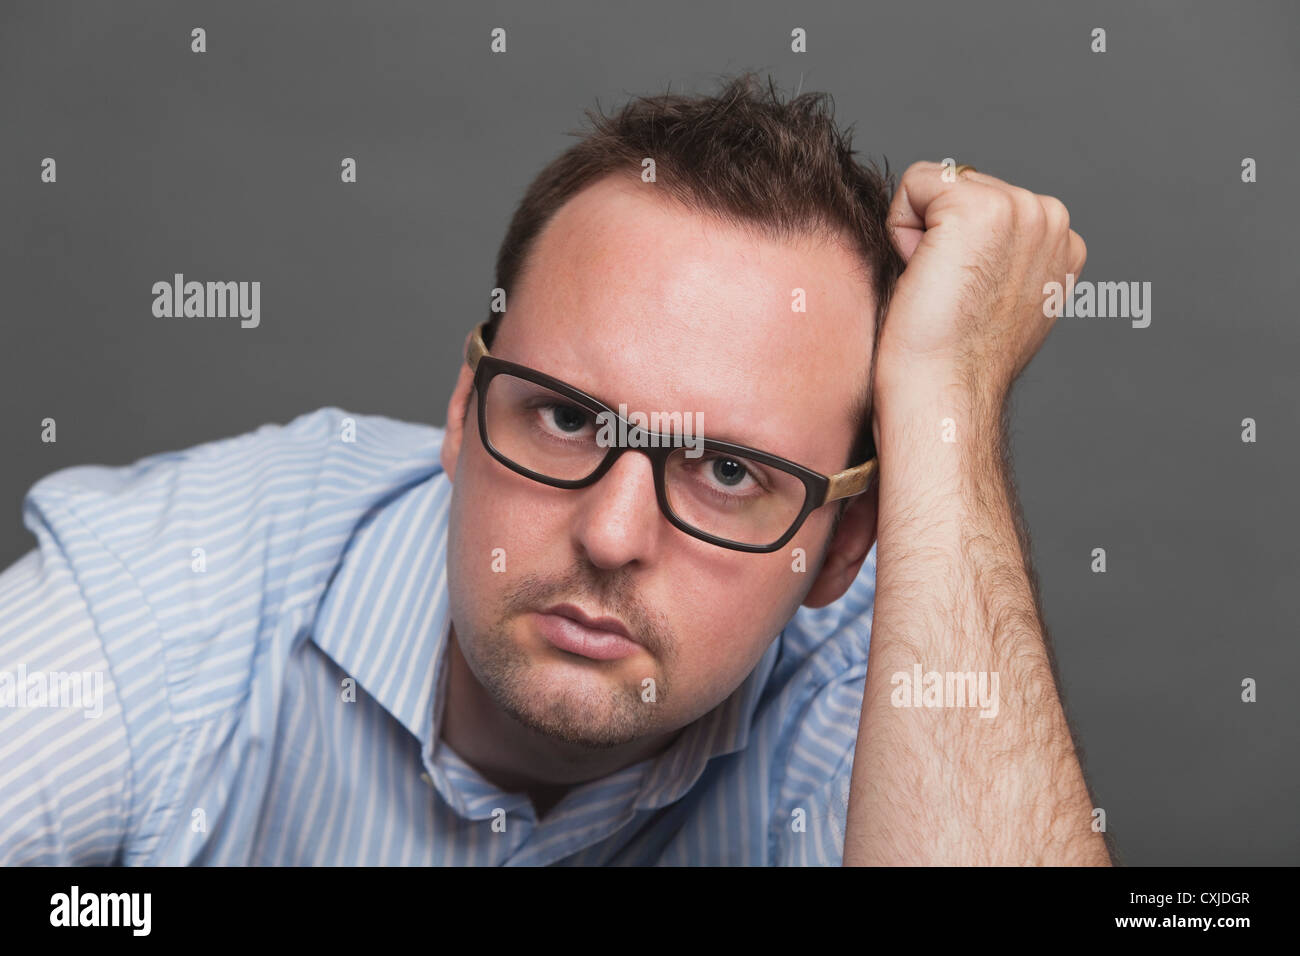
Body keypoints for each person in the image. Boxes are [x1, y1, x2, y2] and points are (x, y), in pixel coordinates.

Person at [0, 73, 1111, 865]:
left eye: (729, 470)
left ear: (842, 550)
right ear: (458, 407)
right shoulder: (187, 584)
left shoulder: (885, 702)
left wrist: (947, 402)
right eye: (568, 419)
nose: (614, 533)